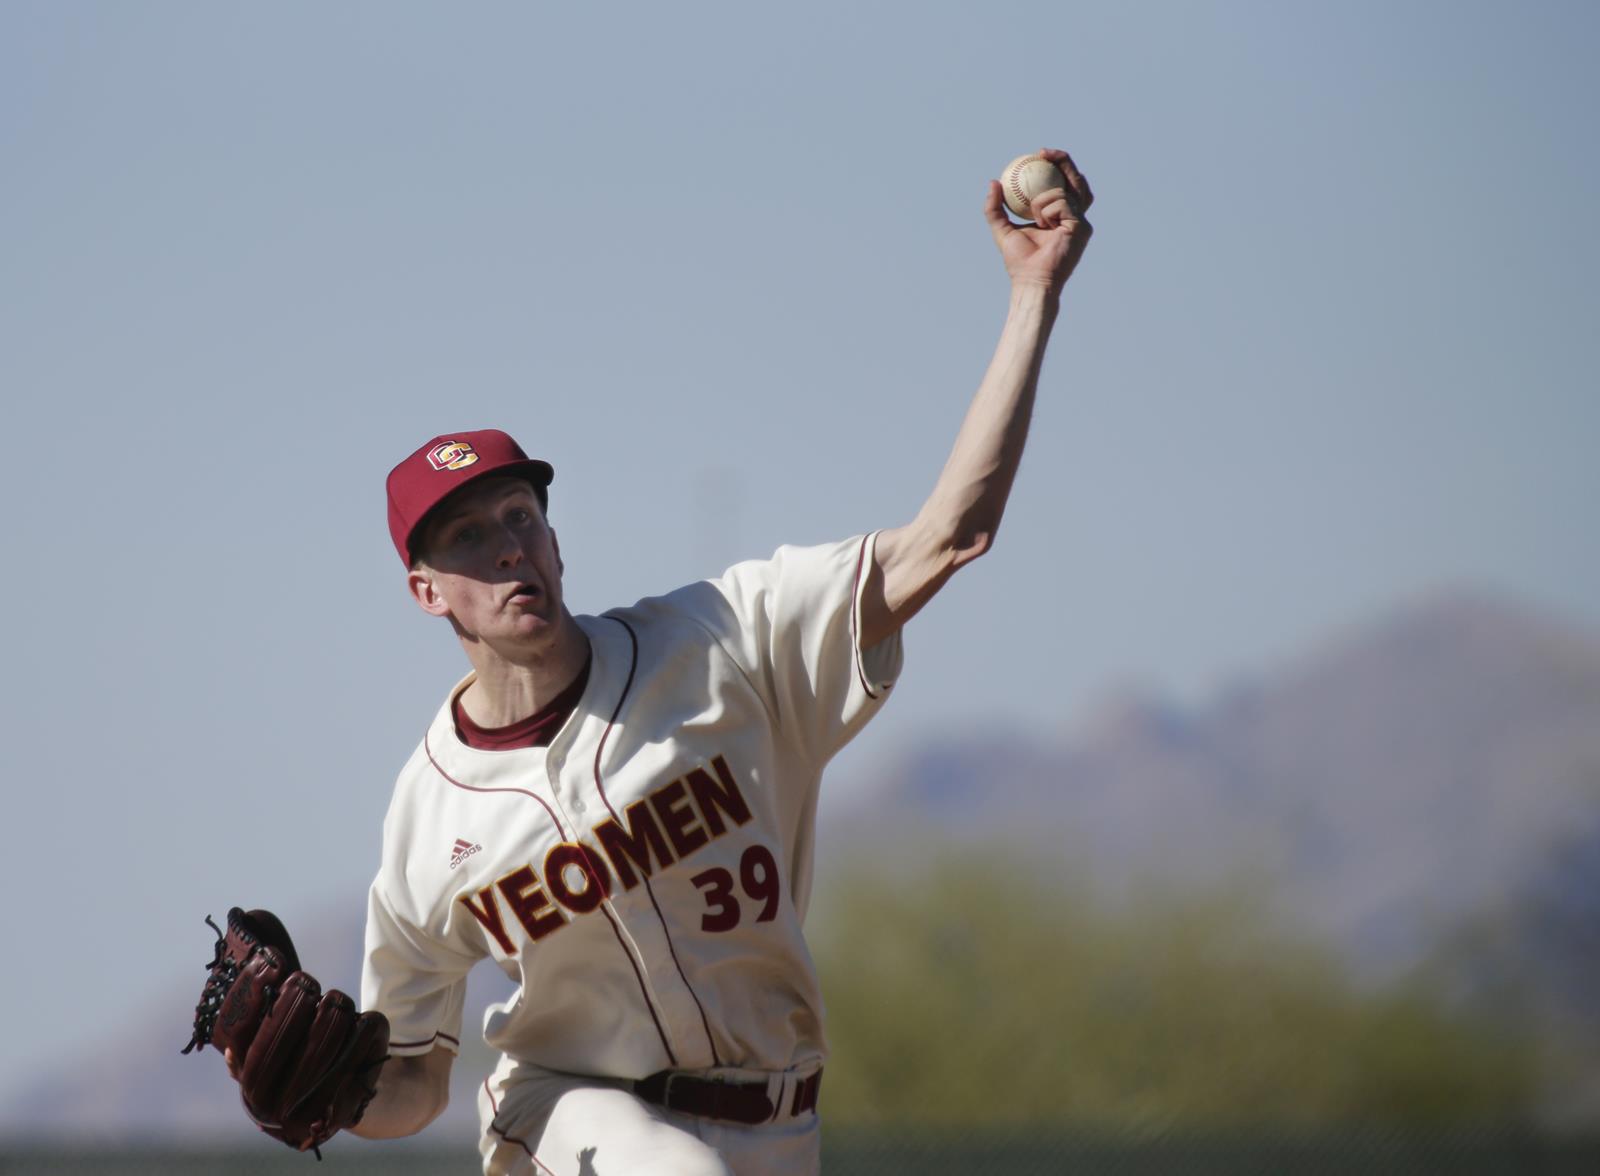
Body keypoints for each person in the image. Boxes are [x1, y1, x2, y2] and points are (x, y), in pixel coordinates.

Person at [348, 150, 1093, 1176]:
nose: (507, 544)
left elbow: (947, 534)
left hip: (782, 1127)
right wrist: (324, 1100)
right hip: (566, 1120)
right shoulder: (429, 815)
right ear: (426, 591)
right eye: (467, 536)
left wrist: (1033, 293)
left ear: (557, 540)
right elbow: (406, 1088)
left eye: (520, 514)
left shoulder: (723, 646)